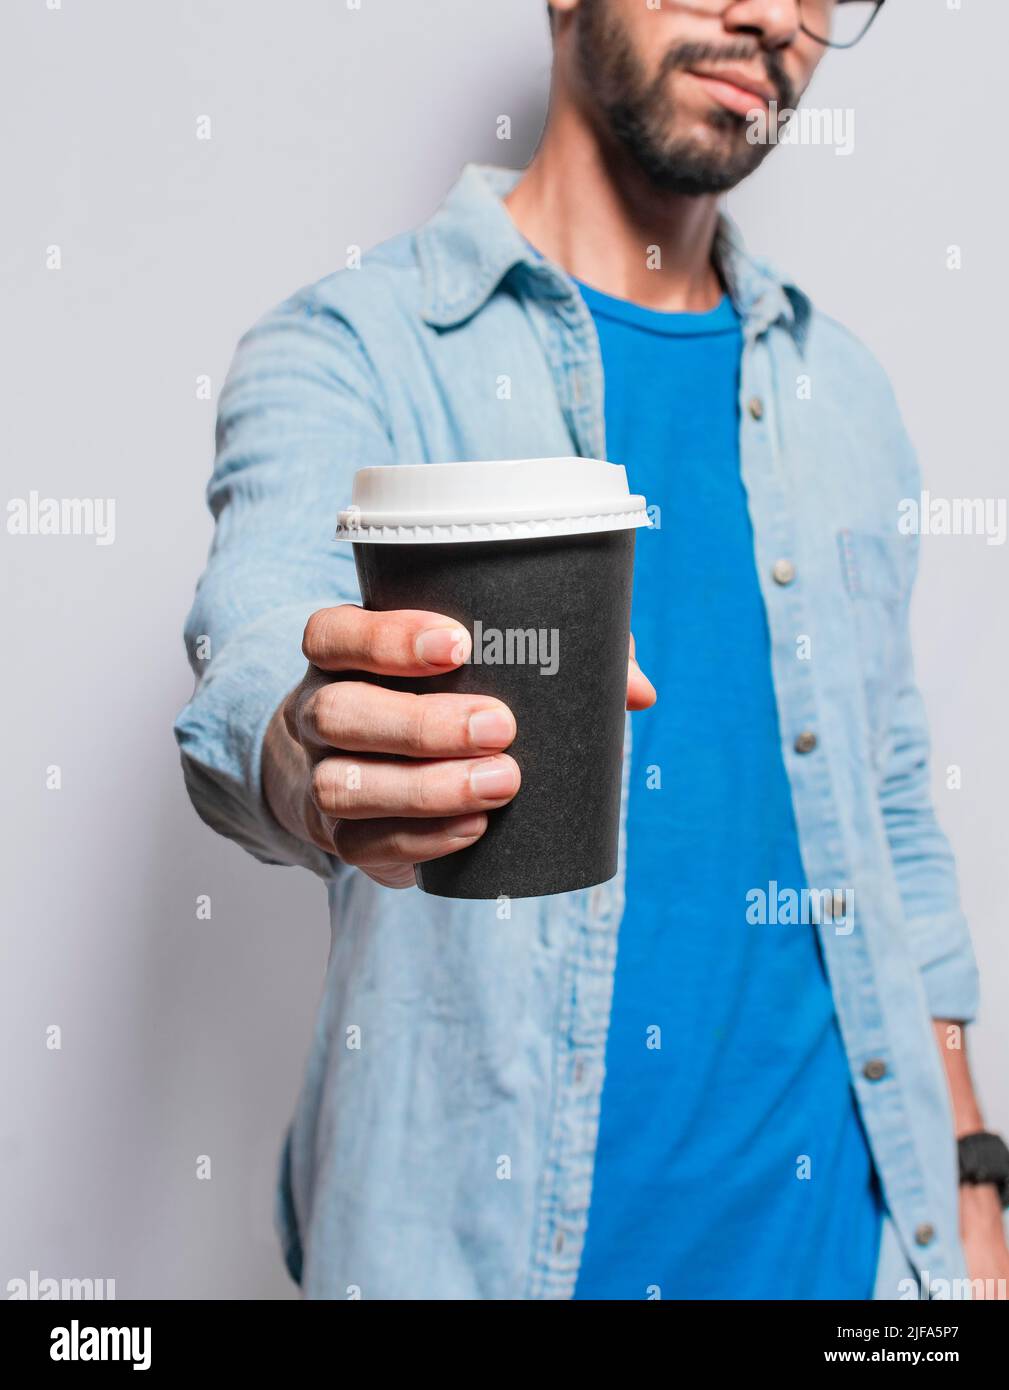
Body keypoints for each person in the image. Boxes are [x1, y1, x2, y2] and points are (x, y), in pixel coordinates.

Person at [175, 0, 1009, 1299]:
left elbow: (888, 809)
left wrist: (967, 1171)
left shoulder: (841, 394)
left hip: (847, 1264)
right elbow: (257, 661)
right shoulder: (355, 351)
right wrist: (308, 750)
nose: (769, 18)